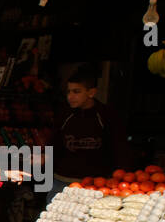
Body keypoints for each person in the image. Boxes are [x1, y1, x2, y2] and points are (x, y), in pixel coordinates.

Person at [52, 66, 130, 197]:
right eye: (68, 92)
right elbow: (53, 143)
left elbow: (119, 147)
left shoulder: (106, 116)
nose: (70, 96)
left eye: (76, 92)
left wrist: (119, 176)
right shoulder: (64, 114)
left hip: (95, 184)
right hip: (63, 180)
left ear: (91, 93)